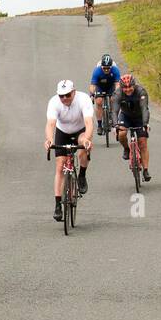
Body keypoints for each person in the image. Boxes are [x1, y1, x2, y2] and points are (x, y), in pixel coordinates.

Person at [43, 79, 95, 220]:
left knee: (82, 149)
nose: (64, 98)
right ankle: (58, 205)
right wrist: (49, 140)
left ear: (74, 92)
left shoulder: (83, 99)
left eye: (67, 95)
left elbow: (89, 123)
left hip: (80, 131)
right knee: (60, 166)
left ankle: (82, 175)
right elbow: (50, 124)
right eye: (61, 96)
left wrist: (87, 140)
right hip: (63, 132)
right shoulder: (54, 102)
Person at [111, 73, 152, 182]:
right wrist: (115, 125)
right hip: (126, 116)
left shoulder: (141, 92)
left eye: (130, 87)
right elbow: (114, 111)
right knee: (121, 134)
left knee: (142, 142)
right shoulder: (117, 94)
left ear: (134, 85)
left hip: (139, 117)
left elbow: (144, 109)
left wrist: (145, 123)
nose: (128, 89)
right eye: (125, 87)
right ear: (121, 87)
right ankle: (126, 148)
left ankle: (146, 170)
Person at [90, 54, 121, 135]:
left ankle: (111, 115)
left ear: (111, 67)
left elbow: (117, 84)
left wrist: (117, 94)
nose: (106, 70)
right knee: (99, 102)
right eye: (104, 68)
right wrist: (92, 95)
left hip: (111, 86)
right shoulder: (97, 71)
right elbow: (92, 85)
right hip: (100, 86)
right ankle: (100, 125)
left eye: (108, 68)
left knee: (113, 99)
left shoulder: (115, 70)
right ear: (101, 66)